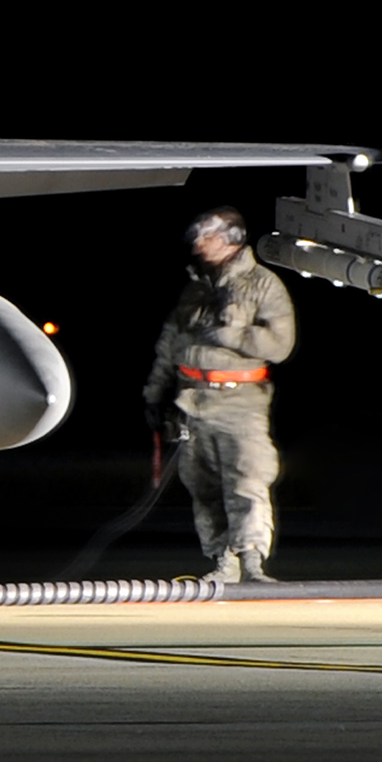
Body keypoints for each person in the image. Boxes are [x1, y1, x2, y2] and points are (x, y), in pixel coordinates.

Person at [142, 205, 297, 584]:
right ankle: (221, 561)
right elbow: (170, 343)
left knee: (247, 478)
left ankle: (252, 562)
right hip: (192, 401)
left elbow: (281, 343)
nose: (198, 242)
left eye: (207, 235)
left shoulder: (263, 284)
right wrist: (156, 390)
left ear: (231, 239)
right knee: (203, 484)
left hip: (239, 400)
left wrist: (236, 337)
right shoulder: (196, 288)